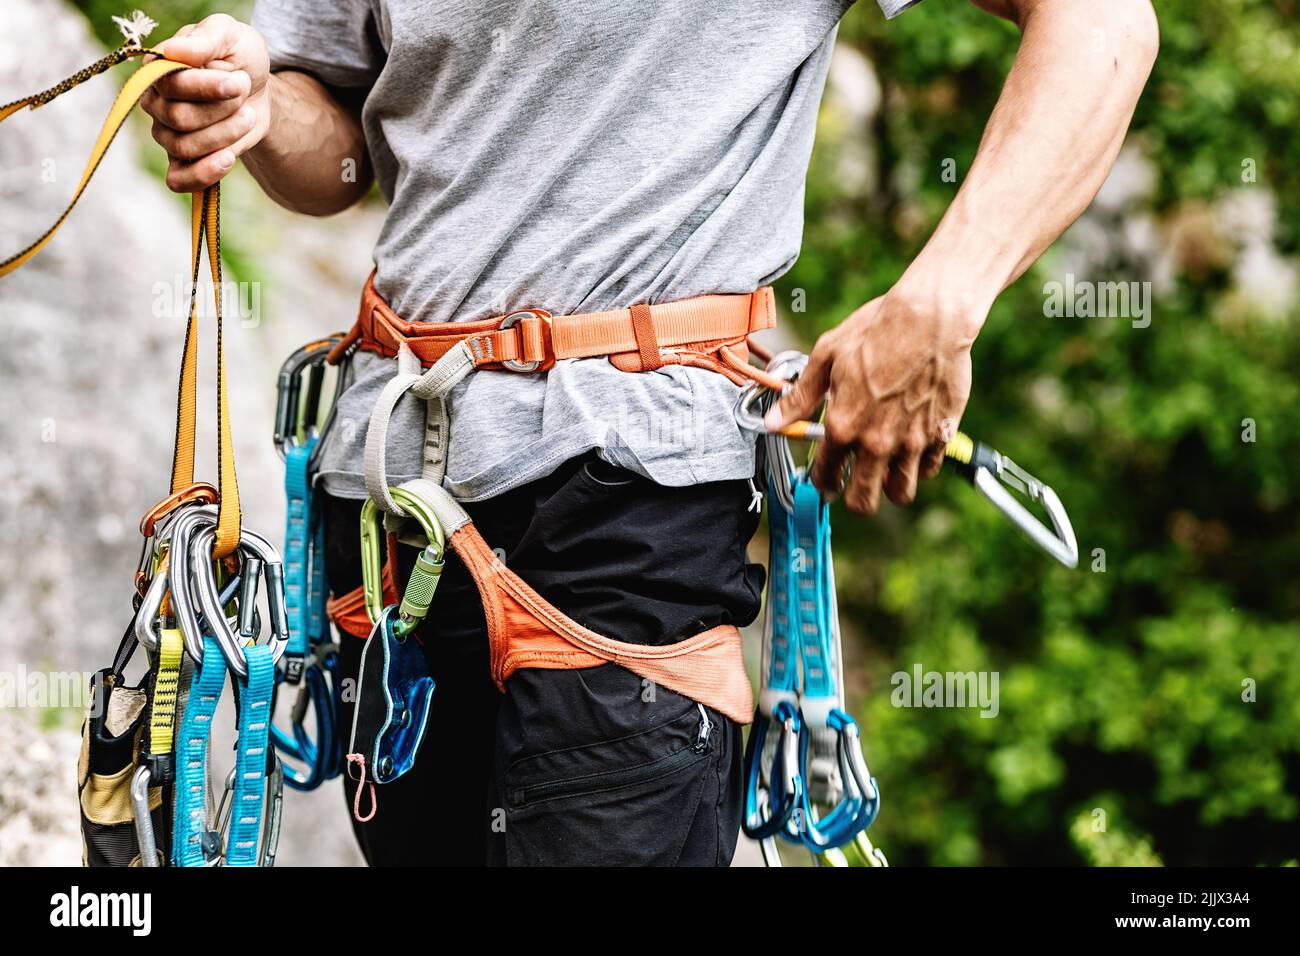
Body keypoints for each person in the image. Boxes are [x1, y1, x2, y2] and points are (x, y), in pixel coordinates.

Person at [140, 0, 1158, 866]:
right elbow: (342, 150)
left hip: (629, 494)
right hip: (392, 511)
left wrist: (942, 295)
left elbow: (1102, 22)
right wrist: (259, 106)